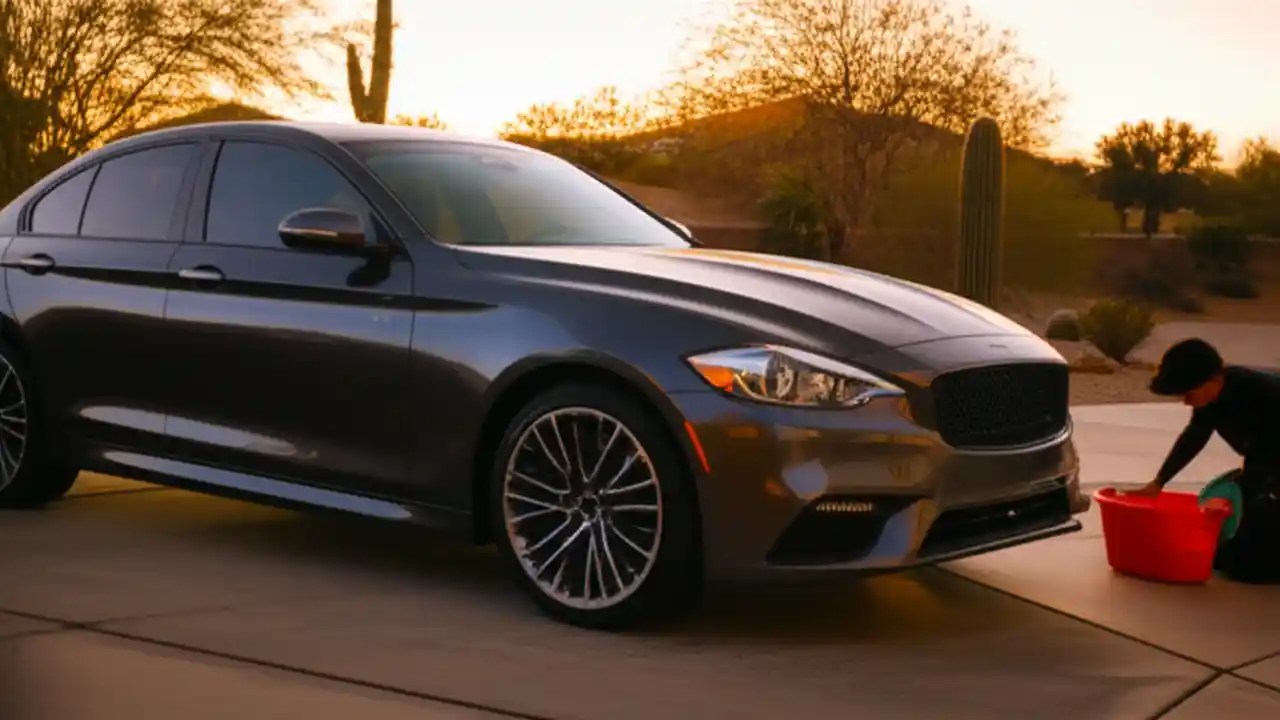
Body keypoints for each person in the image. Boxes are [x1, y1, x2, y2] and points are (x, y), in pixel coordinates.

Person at [1131, 338, 1280, 583]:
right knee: (1226, 554)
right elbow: (1194, 437)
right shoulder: (1211, 400)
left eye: (1188, 393)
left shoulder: (1265, 396)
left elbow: (1266, 454)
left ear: (1214, 379)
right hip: (1268, 465)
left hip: (1272, 459)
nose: (1185, 401)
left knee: (1253, 562)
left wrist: (1236, 493)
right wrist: (1159, 482)